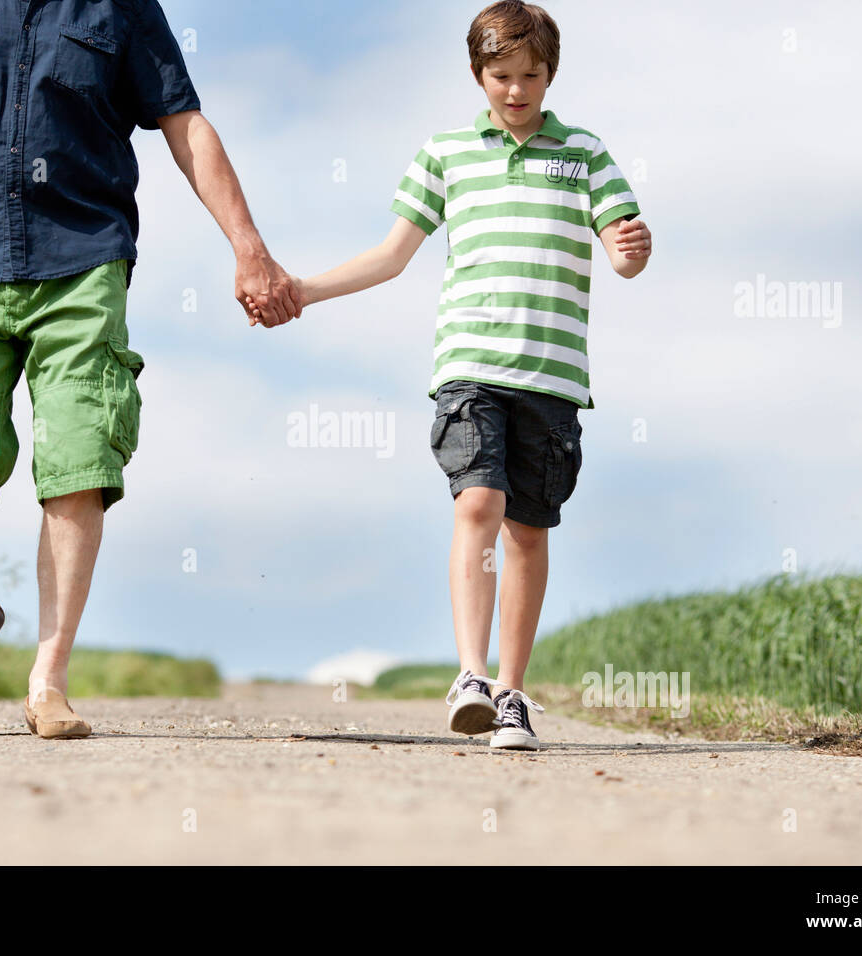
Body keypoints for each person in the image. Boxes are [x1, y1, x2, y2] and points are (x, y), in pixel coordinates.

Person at [0, 0, 300, 738]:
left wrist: (247, 244)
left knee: (79, 459)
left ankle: (48, 678)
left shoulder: (122, 7)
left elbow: (187, 126)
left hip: (82, 261)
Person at [253, 0, 652, 749]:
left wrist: (632, 250)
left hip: (553, 375)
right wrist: (303, 289)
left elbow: (622, 250)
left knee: (529, 531)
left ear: (550, 73)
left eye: (530, 75)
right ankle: (470, 674)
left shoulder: (586, 153)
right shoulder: (446, 152)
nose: (515, 90)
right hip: (469, 364)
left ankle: (512, 693)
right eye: (500, 75)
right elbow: (392, 254)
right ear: (478, 73)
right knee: (479, 504)